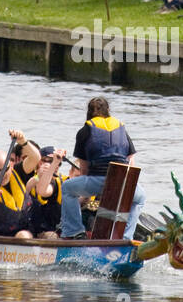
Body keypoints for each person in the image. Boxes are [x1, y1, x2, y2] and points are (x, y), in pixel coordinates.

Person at [59, 97, 145, 241]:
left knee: (67, 188)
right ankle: (125, 238)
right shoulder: (122, 128)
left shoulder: (85, 131)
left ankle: (74, 232)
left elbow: (84, 168)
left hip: (97, 181)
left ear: (89, 113)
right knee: (140, 197)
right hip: (122, 181)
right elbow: (131, 160)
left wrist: (86, 193)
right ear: (108, 111)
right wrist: (127, 187)